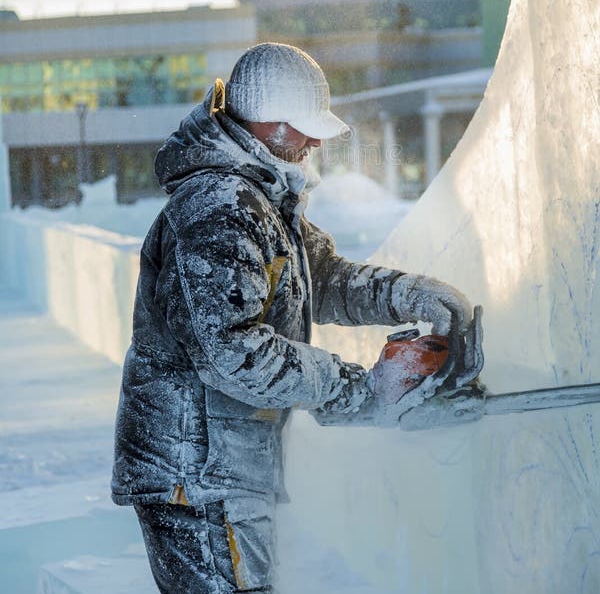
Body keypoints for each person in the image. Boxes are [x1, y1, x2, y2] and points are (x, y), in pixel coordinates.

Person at [112, 42, 472, 593]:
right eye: (301, 127)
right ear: (263, 122)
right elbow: (231, 350)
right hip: (197, 469)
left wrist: (409, 295)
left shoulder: (256, 198)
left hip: (220, 463)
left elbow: (319, 278)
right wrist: (360, 387)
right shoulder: (219, 207)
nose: (313, 142)